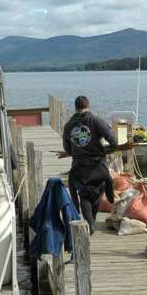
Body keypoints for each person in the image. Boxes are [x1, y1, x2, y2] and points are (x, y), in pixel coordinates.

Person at [62, 96, 116, 232]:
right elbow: (113, 141)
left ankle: (90, 223)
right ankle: (93, 219)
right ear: (88, 105)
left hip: (79, 167)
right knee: (97, 194)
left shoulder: (68, 126)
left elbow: (67, 149)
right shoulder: (96, 121)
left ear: (75, 107)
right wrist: (107, 149)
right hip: (98, 167)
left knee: (84, 195)